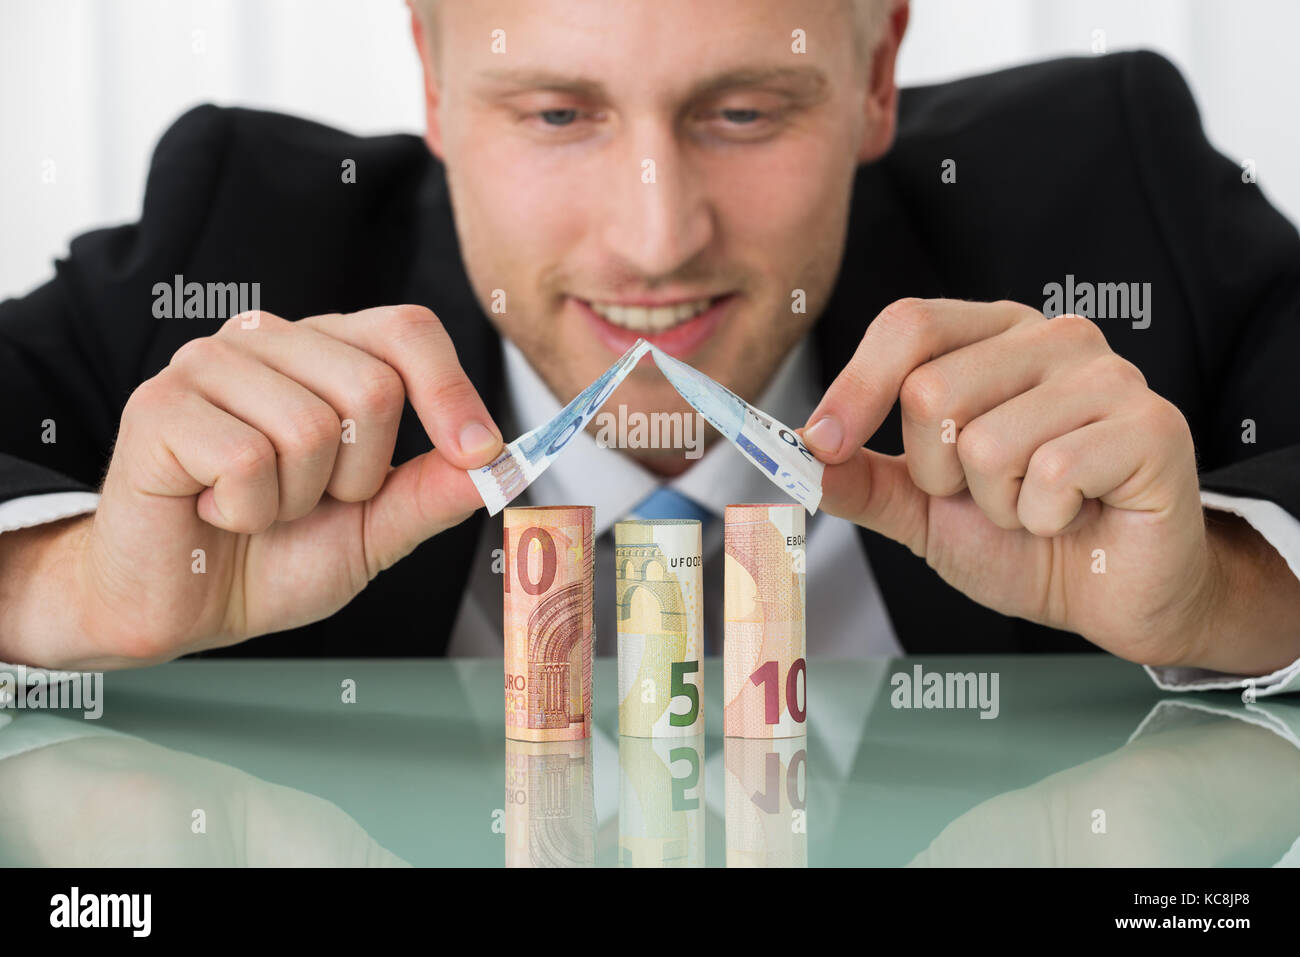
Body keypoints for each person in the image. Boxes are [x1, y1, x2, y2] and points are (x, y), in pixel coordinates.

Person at [0, 0, 1298, 698]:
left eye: (742, 111)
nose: (657, 237)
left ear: (877, 69)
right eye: (558, 112)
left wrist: (1232, 595)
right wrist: (62, 592)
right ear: (435, 84)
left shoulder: (1114, 190)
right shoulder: (240, 242)